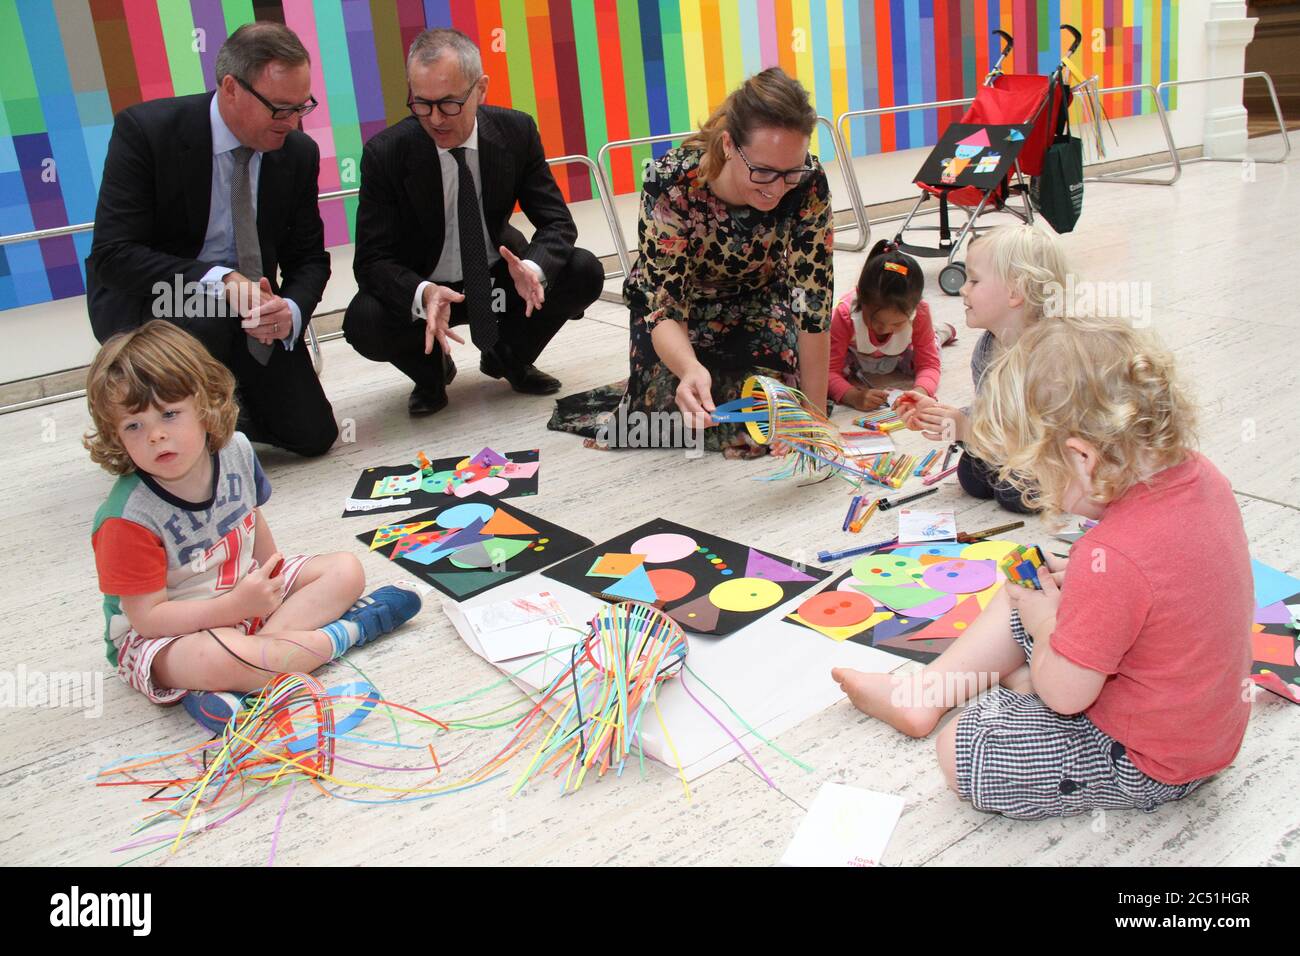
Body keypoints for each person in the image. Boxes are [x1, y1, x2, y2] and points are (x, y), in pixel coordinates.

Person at [833, 316, 1252, 820]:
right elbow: (1165, 584)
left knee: (967, 750)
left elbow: (1067, 695)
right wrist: (1074, 585)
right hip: (1205, 727)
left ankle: (985, 687)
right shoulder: (1205, 478)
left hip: (1148, 761)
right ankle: (925, 693)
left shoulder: (1116, 557)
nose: (1042, 488)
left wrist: (1046, 620)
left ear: (1081, 457)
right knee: (1030, 586)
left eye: (1041, 473)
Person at [85, 321, 420, 727]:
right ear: (115, 435)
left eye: (170, 414)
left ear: (205, 407)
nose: (155, 436)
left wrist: (271, 579)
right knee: (220, 655)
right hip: (169, 633)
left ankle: (244, 674)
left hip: (241, 595)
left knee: (345, 569)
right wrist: (233, 608)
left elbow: (251, 517)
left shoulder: (236, 451)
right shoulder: (126, 519)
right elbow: (148, 619)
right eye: (133, 425)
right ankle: (350, 632)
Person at [86, 22, 337, 457]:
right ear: (231, 88)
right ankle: (181, 427)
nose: (293, 122)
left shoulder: (298, 153)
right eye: (280, 109)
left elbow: (310, 257)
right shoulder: (147, 132)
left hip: (251, 310)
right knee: (204, 317)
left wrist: (290, 311)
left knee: (313, 436)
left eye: (302, 107)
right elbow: (114, 255)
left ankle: (226, 418)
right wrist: (220, 280)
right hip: (162, 297)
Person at [344, 28, 604, 417]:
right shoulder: (386, 153)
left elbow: (556, 222)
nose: (434, 118)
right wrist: (422, 292)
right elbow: (371, 260)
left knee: (583, 269)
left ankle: (510, 358)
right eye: (421, 103)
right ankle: (431, 374)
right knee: (364, 319)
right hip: (429, 288)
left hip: (499, 278)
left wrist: (530, 268)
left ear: (480, 89)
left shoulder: (515, 131)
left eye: (449, 104)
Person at [901, 224, 1070, 512]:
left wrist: (970, 429)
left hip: (1060, 448)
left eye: (974, 282)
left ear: (1015, 292)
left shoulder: (1053, 355)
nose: (963, 289)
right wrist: (946, 417)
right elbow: (989, 409)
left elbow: (1050, 434)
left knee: (1015, 492)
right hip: (1012, 444)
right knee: (972, 475)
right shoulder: (987, 347)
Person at [827, 240, 956, 411]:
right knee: (822, 365)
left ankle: (936, 334)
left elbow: (929, 365)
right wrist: (853, 396)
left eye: (897, 323)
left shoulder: (920, 313)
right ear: (860, 298)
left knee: (928, 352)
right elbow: (828, 371)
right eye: (876, 321)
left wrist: (921, 392)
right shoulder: (845, 315)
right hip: (857, 352)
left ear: (914, 309)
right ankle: (930, 333)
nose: (884, 329)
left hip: (901, 350)